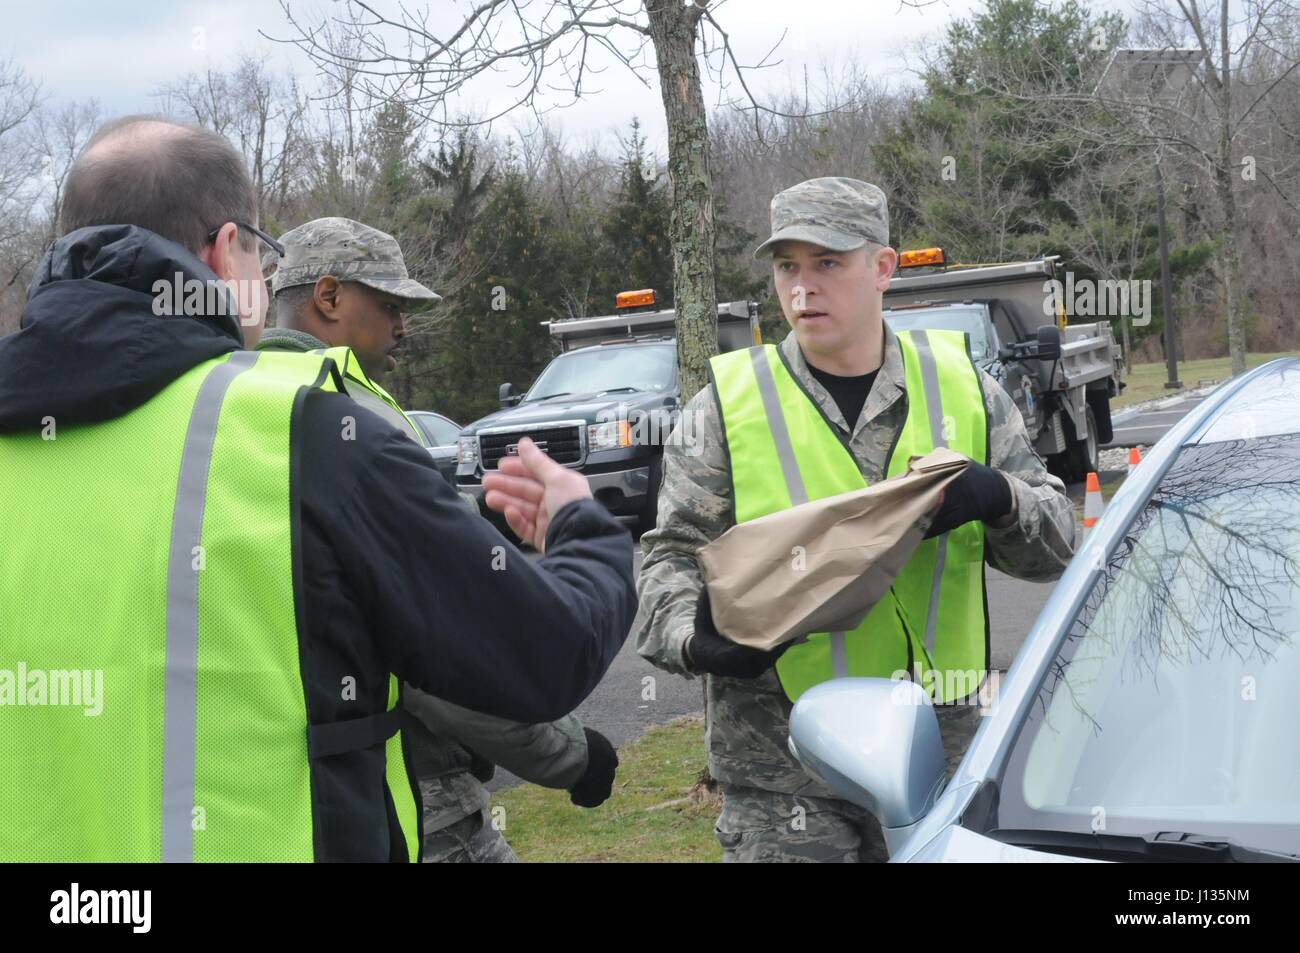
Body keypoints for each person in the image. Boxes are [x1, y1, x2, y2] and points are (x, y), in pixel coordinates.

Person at [0, 116, 634, 862]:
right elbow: (542, 652)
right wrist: (581, 522)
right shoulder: (304, 434)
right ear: (223, 247)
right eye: (258, 254)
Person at [635, 176, 1076, 862]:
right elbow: (669, 557)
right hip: (784, 771)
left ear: (883, 268)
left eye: (828, 263)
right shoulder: (726, 407)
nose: (802, 289)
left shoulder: (964, 389)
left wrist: (1001, 498)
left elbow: (1055, 548)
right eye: (787, 267)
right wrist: (696, 639)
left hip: (939, 757)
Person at [259, 217, 619, 863]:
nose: (403, 328)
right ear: (330, 296)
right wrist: (571, 757)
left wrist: (474, 518)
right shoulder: (348, 415)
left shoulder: (233, 406)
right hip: (416, 797)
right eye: (390, 306)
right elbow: (442, 655)